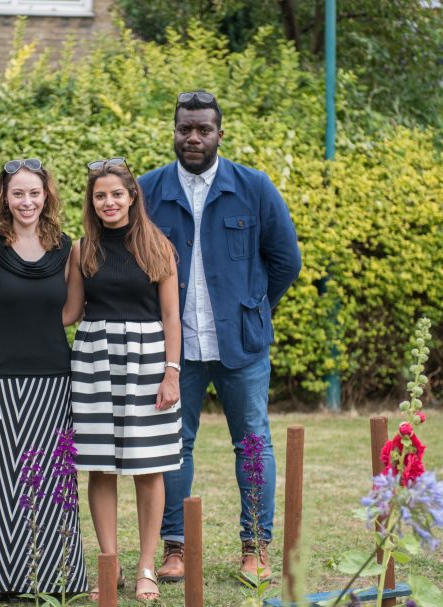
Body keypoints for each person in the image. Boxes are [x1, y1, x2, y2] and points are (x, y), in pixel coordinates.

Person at [138, 90, 302, 582]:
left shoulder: (253, 187)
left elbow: (285, 261)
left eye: (203, 129)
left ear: (219, 134)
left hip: (242, 346)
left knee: (252, 443)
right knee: (172, 445)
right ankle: (175, 549)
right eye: (184, 128)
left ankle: (255, 547)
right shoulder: (148, 190)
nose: (193, 137)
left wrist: (253, 308)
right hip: (176, 350)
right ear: (173, 130)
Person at [0, 158, 88, 596]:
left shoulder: (65, 246)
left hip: (52, 377)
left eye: (34, 192)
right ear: (4, 198)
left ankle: (56, 576)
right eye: (18, 193)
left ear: (46, 195)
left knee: (52, 477)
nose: (27, 201)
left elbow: (71, 311)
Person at [64, 158, 182, 601]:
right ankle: (109, 567)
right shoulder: (82, 249)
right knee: (100, 467)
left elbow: (171, 315)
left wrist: (171, 372)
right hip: (94, 359)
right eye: (100, 196)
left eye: (116, 193)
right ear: (91, 202)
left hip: (149, 359)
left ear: (133, 196)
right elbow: (72, 312)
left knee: (148, 468)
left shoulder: (158, 246)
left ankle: (147, 567)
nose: (108, 202)